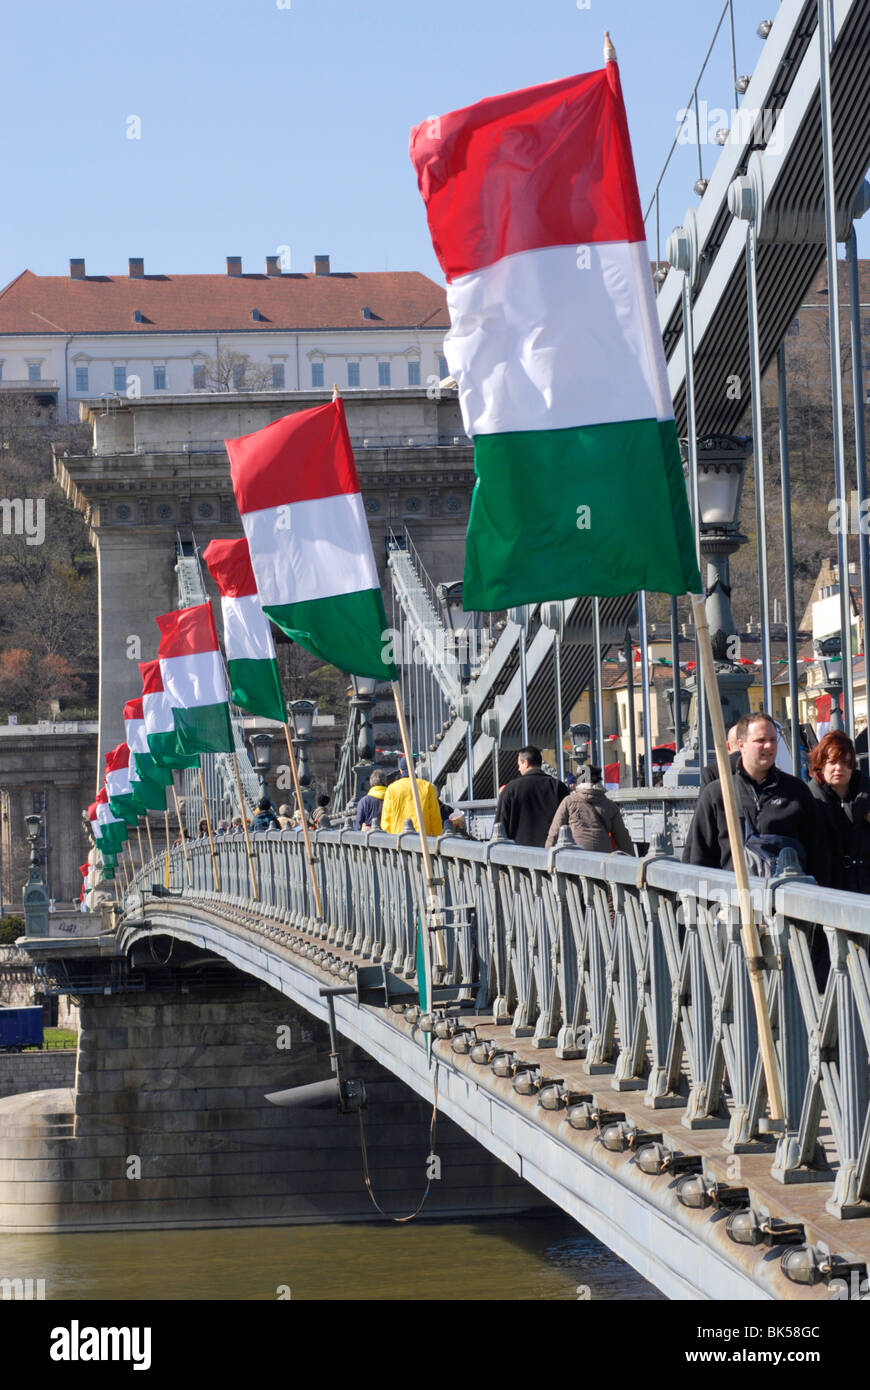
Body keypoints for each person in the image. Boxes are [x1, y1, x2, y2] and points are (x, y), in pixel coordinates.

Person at [684, 711, 829, 882]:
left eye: (772, 740)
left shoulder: (797, 792)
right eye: (760, 740)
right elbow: (698, 857)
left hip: (786, 902)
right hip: (733, 902)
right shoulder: (717, 794)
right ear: (741, 745)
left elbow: (820, 855)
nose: (768, 746)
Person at [807, 730, 870, 894]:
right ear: (821, 763)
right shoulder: (809, 799)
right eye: (832, 762)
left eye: (845, 762)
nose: (839, 768)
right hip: (829, 890)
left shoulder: (866, 792)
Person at [545, 766, 633, 853]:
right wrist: (632, 860)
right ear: (599, 780)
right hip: (603, 854)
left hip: (577, 853)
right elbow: (622, 838)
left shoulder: (569, 801)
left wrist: (546, 855)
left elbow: (554, 831)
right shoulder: (610, 805)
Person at [495, 746, 569, 848]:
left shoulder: (511, 788)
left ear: (526, 763)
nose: (518, 768)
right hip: (551, 854)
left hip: (518, 855)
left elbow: (499, 827)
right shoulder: (558, 787)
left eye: (519, 765)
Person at [381, 756, 442, 836]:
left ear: (400, 771)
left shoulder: (391, 789)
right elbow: (435, 817)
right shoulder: (427, 787)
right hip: (421, 838)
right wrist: (437, 836)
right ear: (415, 769)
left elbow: (386, 820)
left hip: (398, 839)